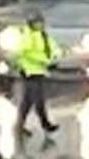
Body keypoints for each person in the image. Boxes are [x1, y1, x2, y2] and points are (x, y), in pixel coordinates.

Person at [14, 11, 62, 146]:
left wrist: (56, 57)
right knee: (38, 100)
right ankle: (46, 125)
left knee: (28, 101)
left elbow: (53, 47)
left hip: (40, 71)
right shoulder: (28, 36)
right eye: (37, 23)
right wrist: (44, 61)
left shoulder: (43, 35)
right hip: (30, 72)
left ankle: (20, 126)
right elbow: (25, 52)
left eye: (41, 22)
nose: (40, 25)